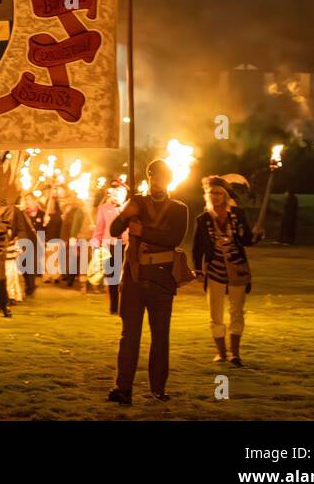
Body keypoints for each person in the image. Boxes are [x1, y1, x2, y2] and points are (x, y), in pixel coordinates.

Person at [106, 159, 189, 406]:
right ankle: (123, 389)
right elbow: (113, 230)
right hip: (134, 277)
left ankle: (158, 388)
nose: (157, 180)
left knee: (160, 336)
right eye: (154, 176)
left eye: (162, 176)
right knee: (129, 335)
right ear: (149, 177)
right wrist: (125, 214)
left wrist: (143, 232)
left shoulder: (179, 208)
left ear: (169, 179)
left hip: (162, 279)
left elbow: (173, 238)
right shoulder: (137, 203)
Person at [191, 176, 255, 367]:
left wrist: (257, 235)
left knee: (237, 311)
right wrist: (197, 269)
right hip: (215, 270)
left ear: (225, 195)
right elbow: (197, 248)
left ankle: (235, 354)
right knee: (215, 314)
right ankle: (221, 353)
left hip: (238, 268)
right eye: (212, 192)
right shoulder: (203, 219)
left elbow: (246, 240)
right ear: (207, 195)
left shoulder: (237, 214)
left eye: (219, 192)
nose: (216, 196)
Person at [92, 182, 128, 315]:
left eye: (120, 191)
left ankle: (125, 306)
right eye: (115, 191)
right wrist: (96, 244)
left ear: (125, 193)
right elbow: (99, 228)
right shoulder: (104, 208)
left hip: (126, 245)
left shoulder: (130, 207)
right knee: (112, 276)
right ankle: (114, 307)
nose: (117, 194)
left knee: (125, 278)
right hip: (109, 245)